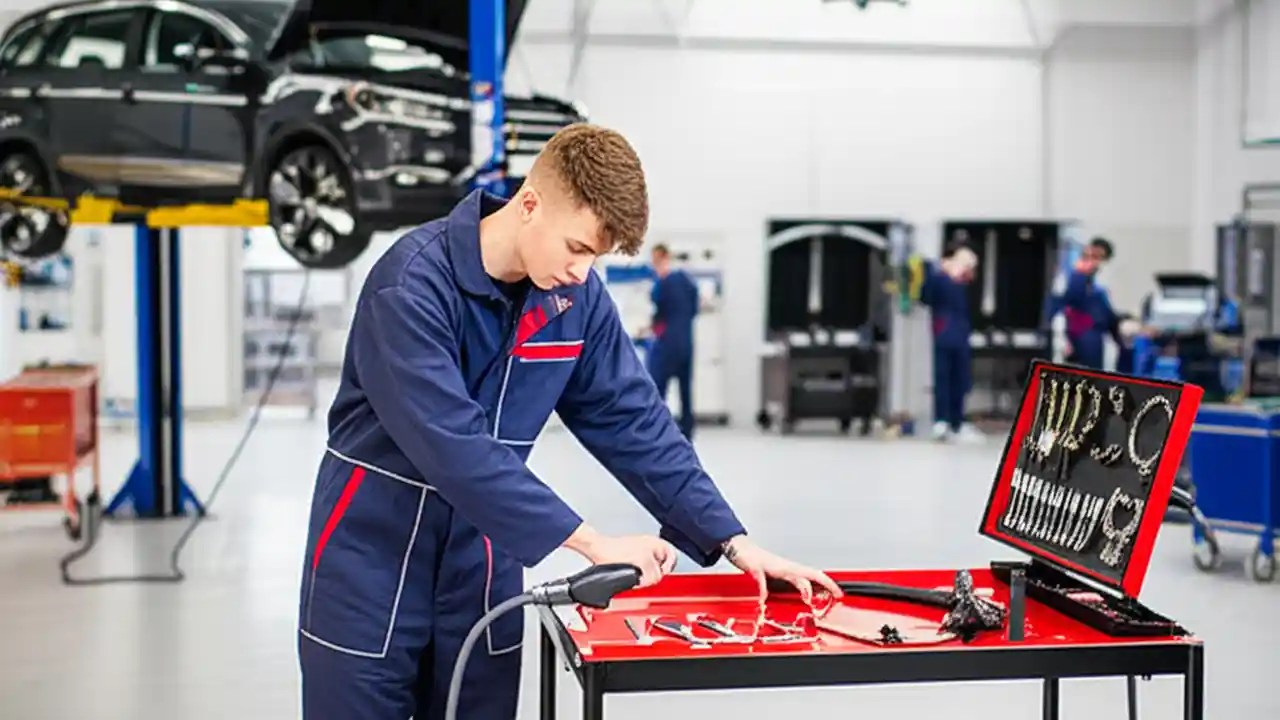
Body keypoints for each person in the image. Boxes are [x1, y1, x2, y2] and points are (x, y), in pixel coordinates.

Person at [297, 124, 842, 720]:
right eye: (578, 249)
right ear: (528, 204)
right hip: (372, 557)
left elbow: (634, 420)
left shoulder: (572, 302)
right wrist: (591, 542)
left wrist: (734, 542)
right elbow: (452, 445)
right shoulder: (410, 286)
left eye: (597, 258)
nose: (584, 273)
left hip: (481, 562)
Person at [919, 241, 982, 442]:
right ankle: (942, 421)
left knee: (960, 380)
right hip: (945, 335)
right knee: (943, 378)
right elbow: (925, 297)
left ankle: (958, 422)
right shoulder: (939, 280)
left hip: (961, 336)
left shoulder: (962, 286)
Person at [647, 243, 700, 440]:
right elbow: (694, 310)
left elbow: (656, 305)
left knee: (657, 389)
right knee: (686, 391)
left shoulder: (663, 282)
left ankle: (656, 430)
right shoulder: (687, 281)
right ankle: (687, 430)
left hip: (667, 343)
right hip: (686, 343)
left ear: (661, 259)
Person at [1054, 237, 1119, 369]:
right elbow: (1060, 308)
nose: (1094, 261)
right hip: (1073, 333)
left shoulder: (1102, 286)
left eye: (1099, 258)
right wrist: (1063, 339)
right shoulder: (1069, 277)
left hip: (1095, 337)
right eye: (1091, 256)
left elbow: (1108, 314)